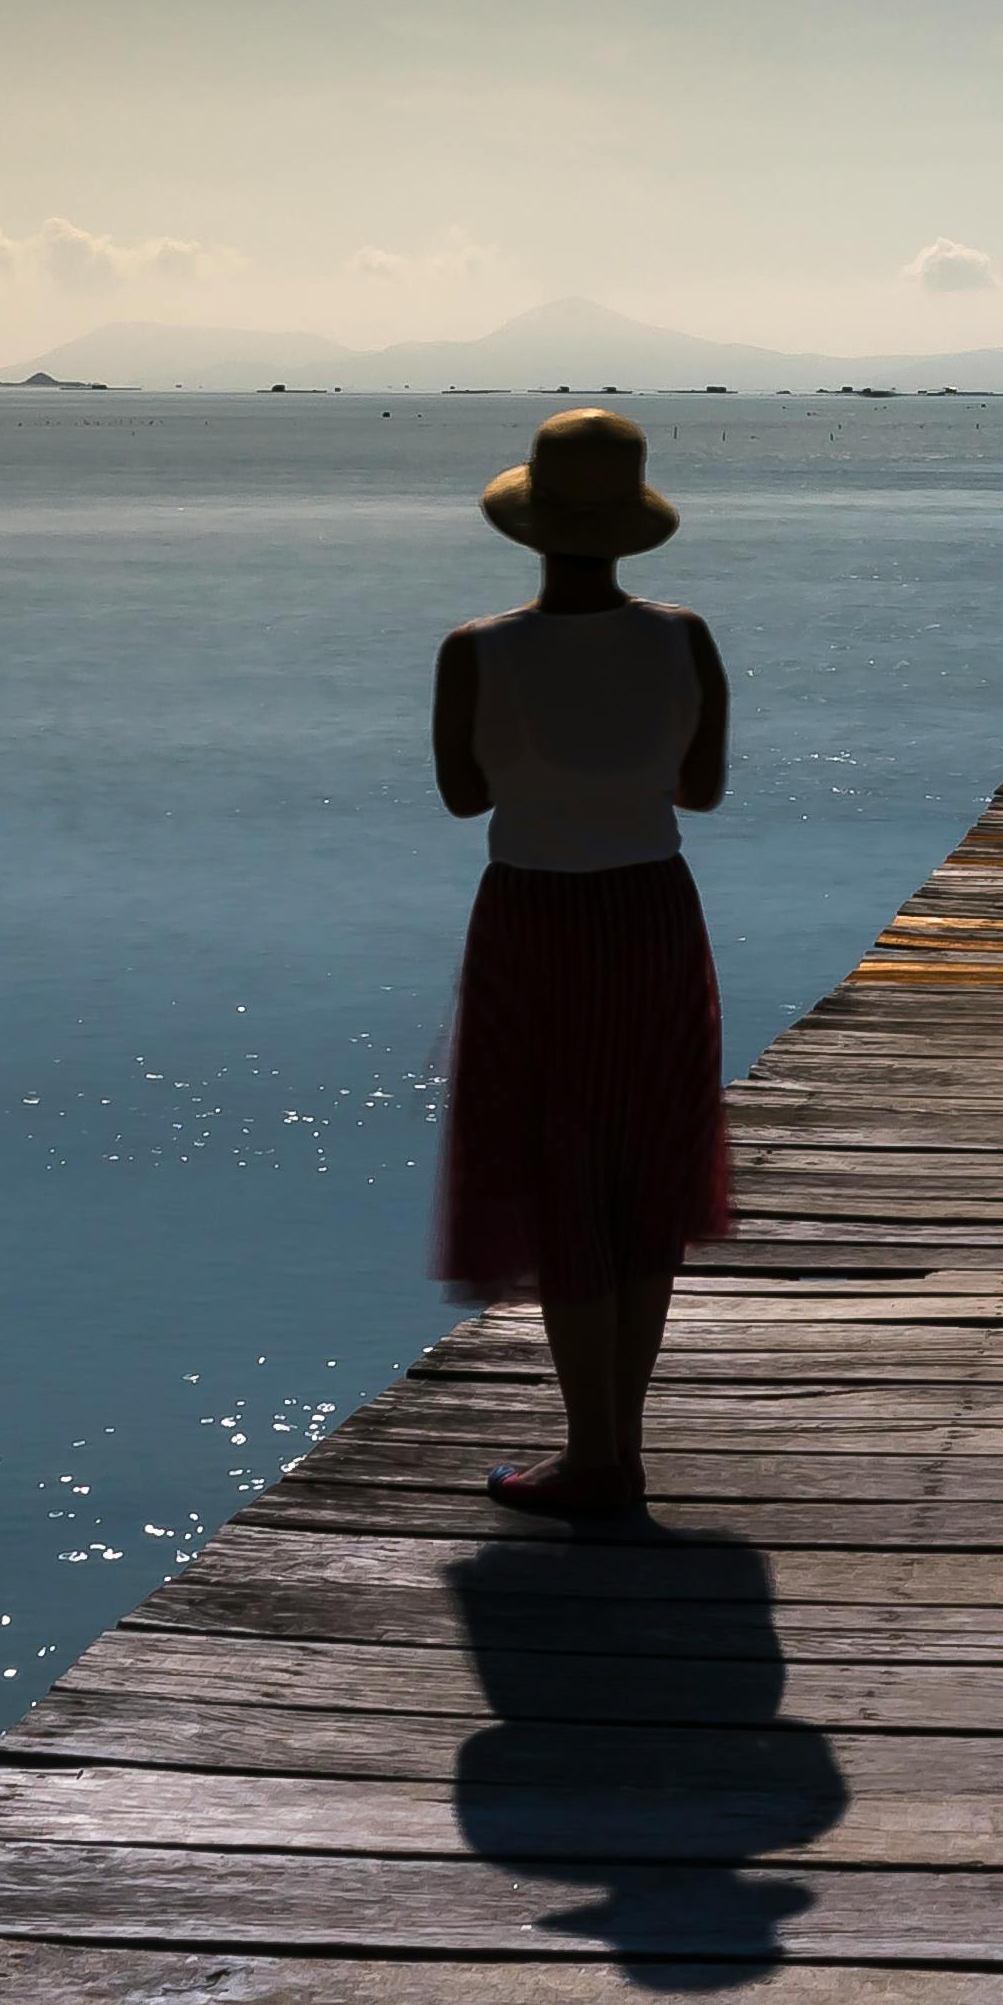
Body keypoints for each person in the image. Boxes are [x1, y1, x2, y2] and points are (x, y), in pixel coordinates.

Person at [429, 405, 736, 1517]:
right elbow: (699, 791)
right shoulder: (684, 637)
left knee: (562, 1176)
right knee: (642, 1177)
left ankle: (591, 1453)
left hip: (533, 920)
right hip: (651, 913)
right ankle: (620, 1449)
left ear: (530, 525)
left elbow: (465, 797)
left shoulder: (475, 650)